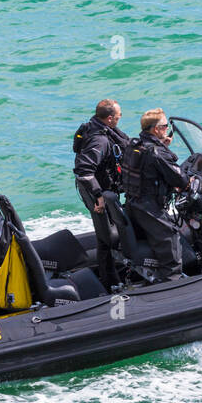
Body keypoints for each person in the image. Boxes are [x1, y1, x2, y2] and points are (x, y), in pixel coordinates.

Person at [123, 108, 191, 281]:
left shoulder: (135, 145)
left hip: (133, 204)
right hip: (149, 207)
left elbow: (149, 170)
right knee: (170, 236)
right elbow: (181, 180)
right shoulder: (155, 152)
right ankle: (173, 281)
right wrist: (163, 150)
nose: (167, 129)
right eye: (165, 126)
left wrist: (162, 146)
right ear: (156, 129)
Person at [73, 99, 130, 287]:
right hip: (100, 195)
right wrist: (98, 196)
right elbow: (84, 170)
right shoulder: (100, 139)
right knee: (107, 239)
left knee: (103, 237)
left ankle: (109, 279)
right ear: (111, 118)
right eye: (119, 115)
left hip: (101, 193)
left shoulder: (95, 128)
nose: (121, 117)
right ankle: (111, 281)